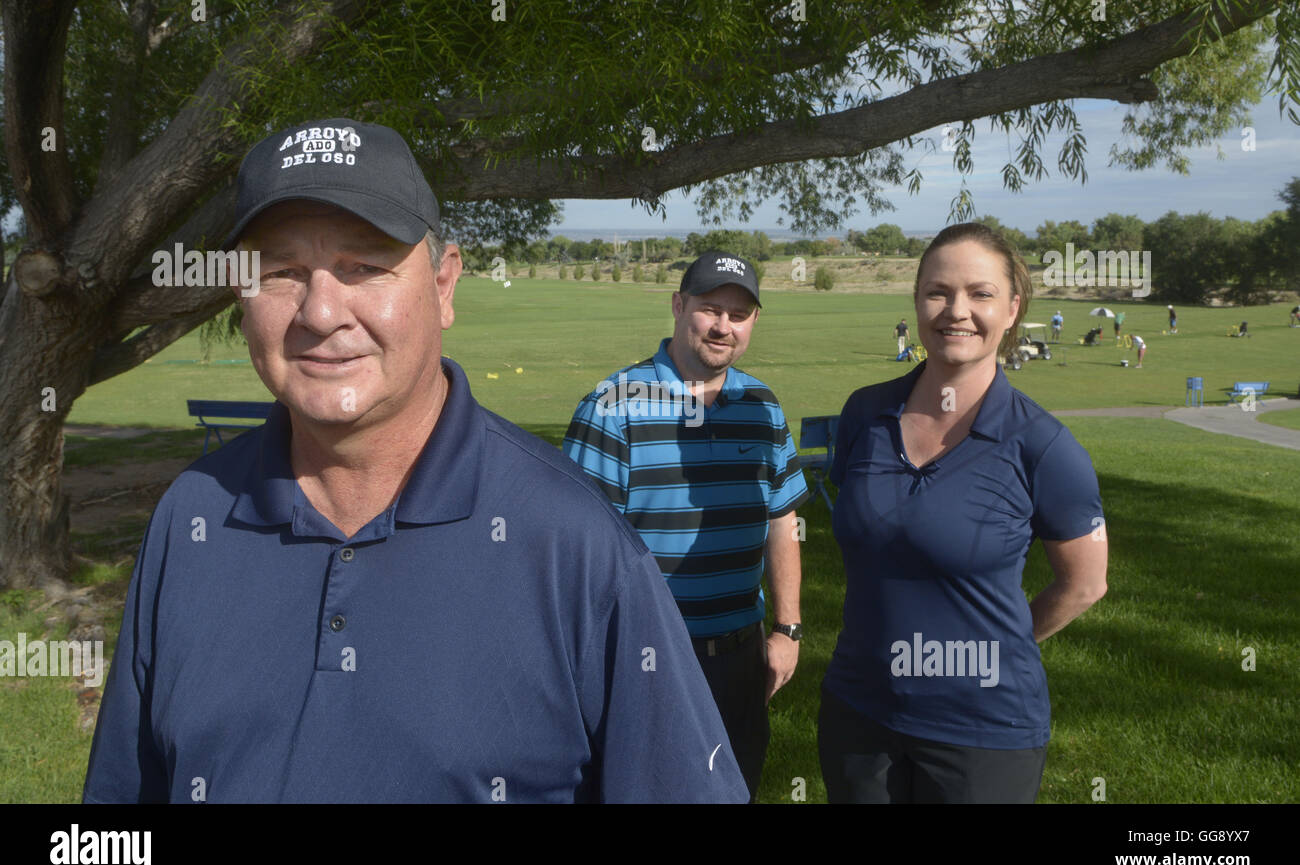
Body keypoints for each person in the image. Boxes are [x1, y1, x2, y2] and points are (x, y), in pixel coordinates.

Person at [82, 118, 749, 804]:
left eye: (364, 266)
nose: (319, 311)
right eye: (280, 271)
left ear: (443, 285)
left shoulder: (576, 546)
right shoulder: (191, 515)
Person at [818, 222, 1108, 803]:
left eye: (980, 293)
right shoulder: (865, 413)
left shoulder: (1042, 445)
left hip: (982, 730)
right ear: (917, 301)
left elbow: (1084, 585)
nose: (957, 311)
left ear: (1012, 309)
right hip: (858, 712)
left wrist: (995, 649)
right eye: (938, 292)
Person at [563, 251, 809, 801]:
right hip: (646, 658)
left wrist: (787, 629)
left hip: (742, 657)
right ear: (679, 306)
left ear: (753, 323)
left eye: (738, 314)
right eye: (710, 308)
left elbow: (782, 518)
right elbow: (576, 554)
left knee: (734, 787)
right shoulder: (613, 407)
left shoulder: (761, 406)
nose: (723, 326)